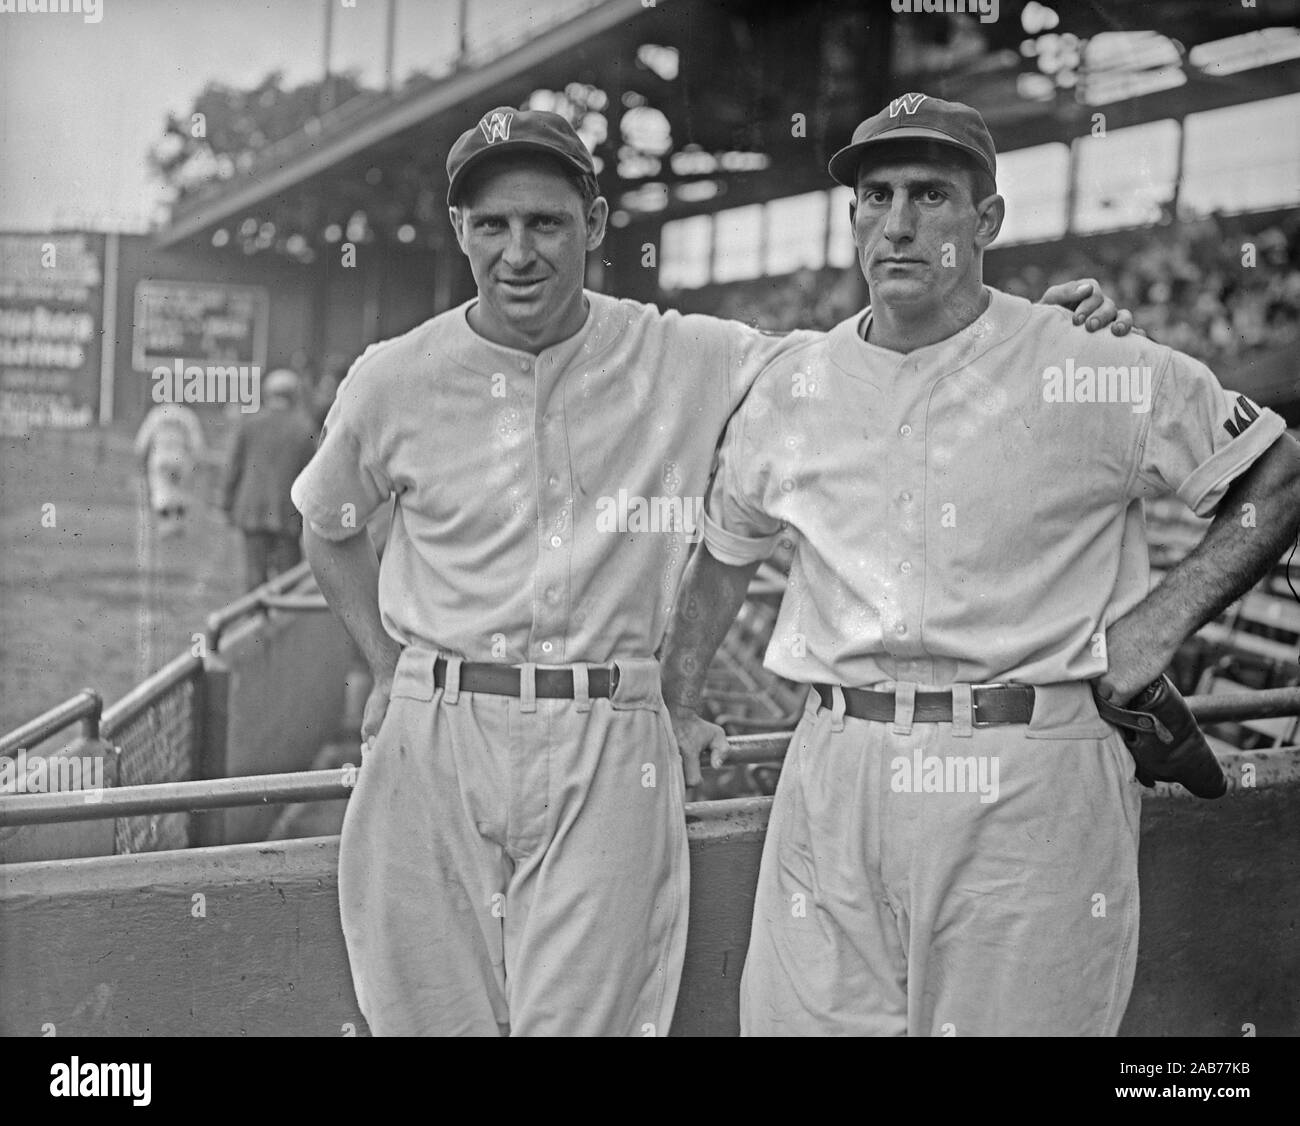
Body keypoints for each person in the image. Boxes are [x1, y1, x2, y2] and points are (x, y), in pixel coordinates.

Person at [290, 105, 1132, 1037]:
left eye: (547, 223)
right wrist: (377, 663)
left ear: (596, 224)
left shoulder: (688, 351)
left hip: (602, 722)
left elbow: (883, 353)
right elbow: (328, 527)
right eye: (492, 225)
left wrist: (1024, 337)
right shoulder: (394, 375)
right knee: (423, 1019)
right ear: (461, 230)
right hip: (434, 721)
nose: (518, 252)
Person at [660, 93, 1300, 1036]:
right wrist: (675, 696)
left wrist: (1151, 631)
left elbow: (1278, 470)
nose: (899, 224)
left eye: (931, 195)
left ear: (987, 219)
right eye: (875, 196)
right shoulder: (793, 385)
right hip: (836, 763)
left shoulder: (1085, 357)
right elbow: (726, 548)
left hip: (1028, 771)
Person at [222, 369, 318, 591]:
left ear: (267, 394)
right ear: (295, 395)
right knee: (288, 581)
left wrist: (227, 503)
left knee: (255, 578)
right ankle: (284, 623)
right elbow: (312, 474)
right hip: (288, 513)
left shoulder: (250, 424)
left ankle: (256, 622)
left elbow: (234, 467)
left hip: (251, 509)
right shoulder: (304, 429)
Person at [133, 401, 205, 538]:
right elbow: (197, 442)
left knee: (162, 491)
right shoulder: (187, 415)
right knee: (181, 492)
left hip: (161, 457)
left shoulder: (157, 413)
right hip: (181, 457)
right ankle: (177, 524)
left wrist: (140, 455)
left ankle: (166, 525)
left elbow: (143, 440)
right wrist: (198, 459)